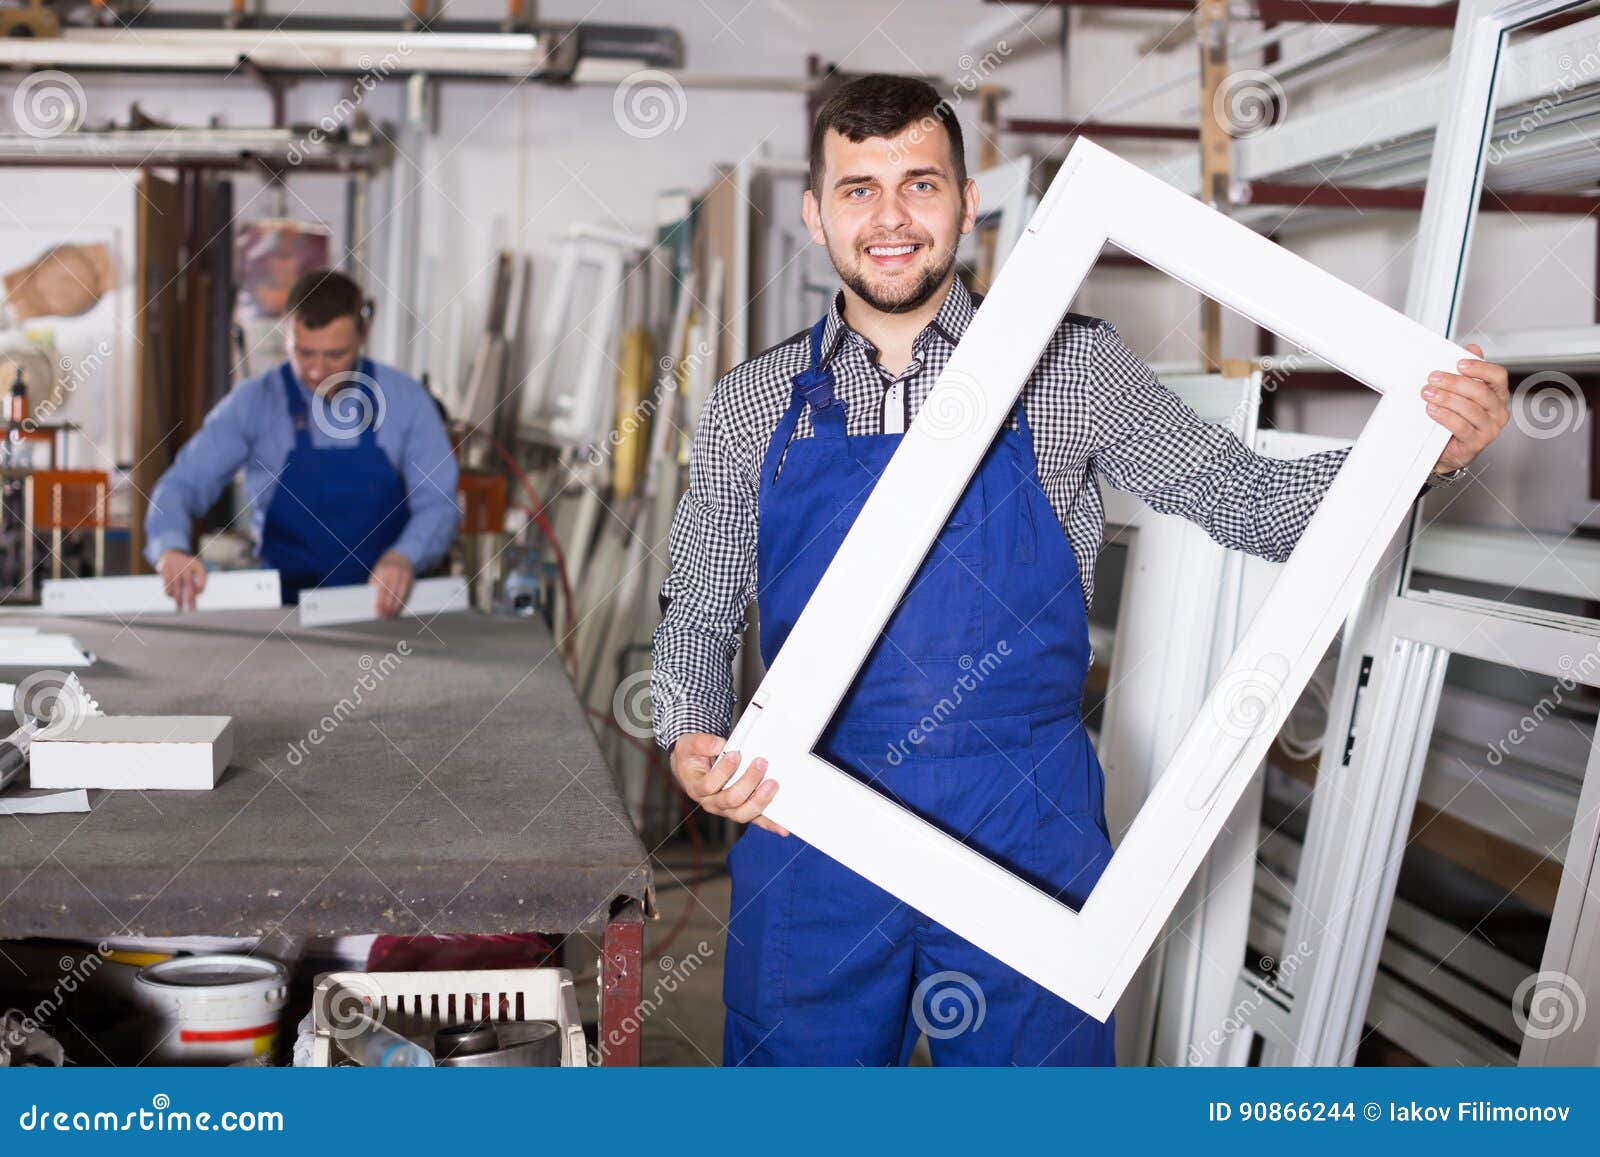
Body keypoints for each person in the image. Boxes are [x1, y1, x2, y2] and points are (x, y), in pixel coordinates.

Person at [651, 75, 1512, 1067]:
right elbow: (699, 608)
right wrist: (687, 730)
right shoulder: (752, 402)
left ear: (968, 203)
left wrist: (1414, 452)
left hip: (1021, 813)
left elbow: (1245, 499)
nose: (890, 218)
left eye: (920, 184)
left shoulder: (1069, 368)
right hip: (808, 816)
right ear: (815, 212)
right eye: (857, 189)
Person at [145, 269, 460, 615]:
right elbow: (182, 484)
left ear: (363, 335)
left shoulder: (407, 401)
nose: (317, 371)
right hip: (283, 613)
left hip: (384, 609)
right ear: (286, 332)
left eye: (335, 355)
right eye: (304, 354)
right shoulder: (253, 402)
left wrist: (405, 557)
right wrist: (170, 547)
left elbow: (439, 503)